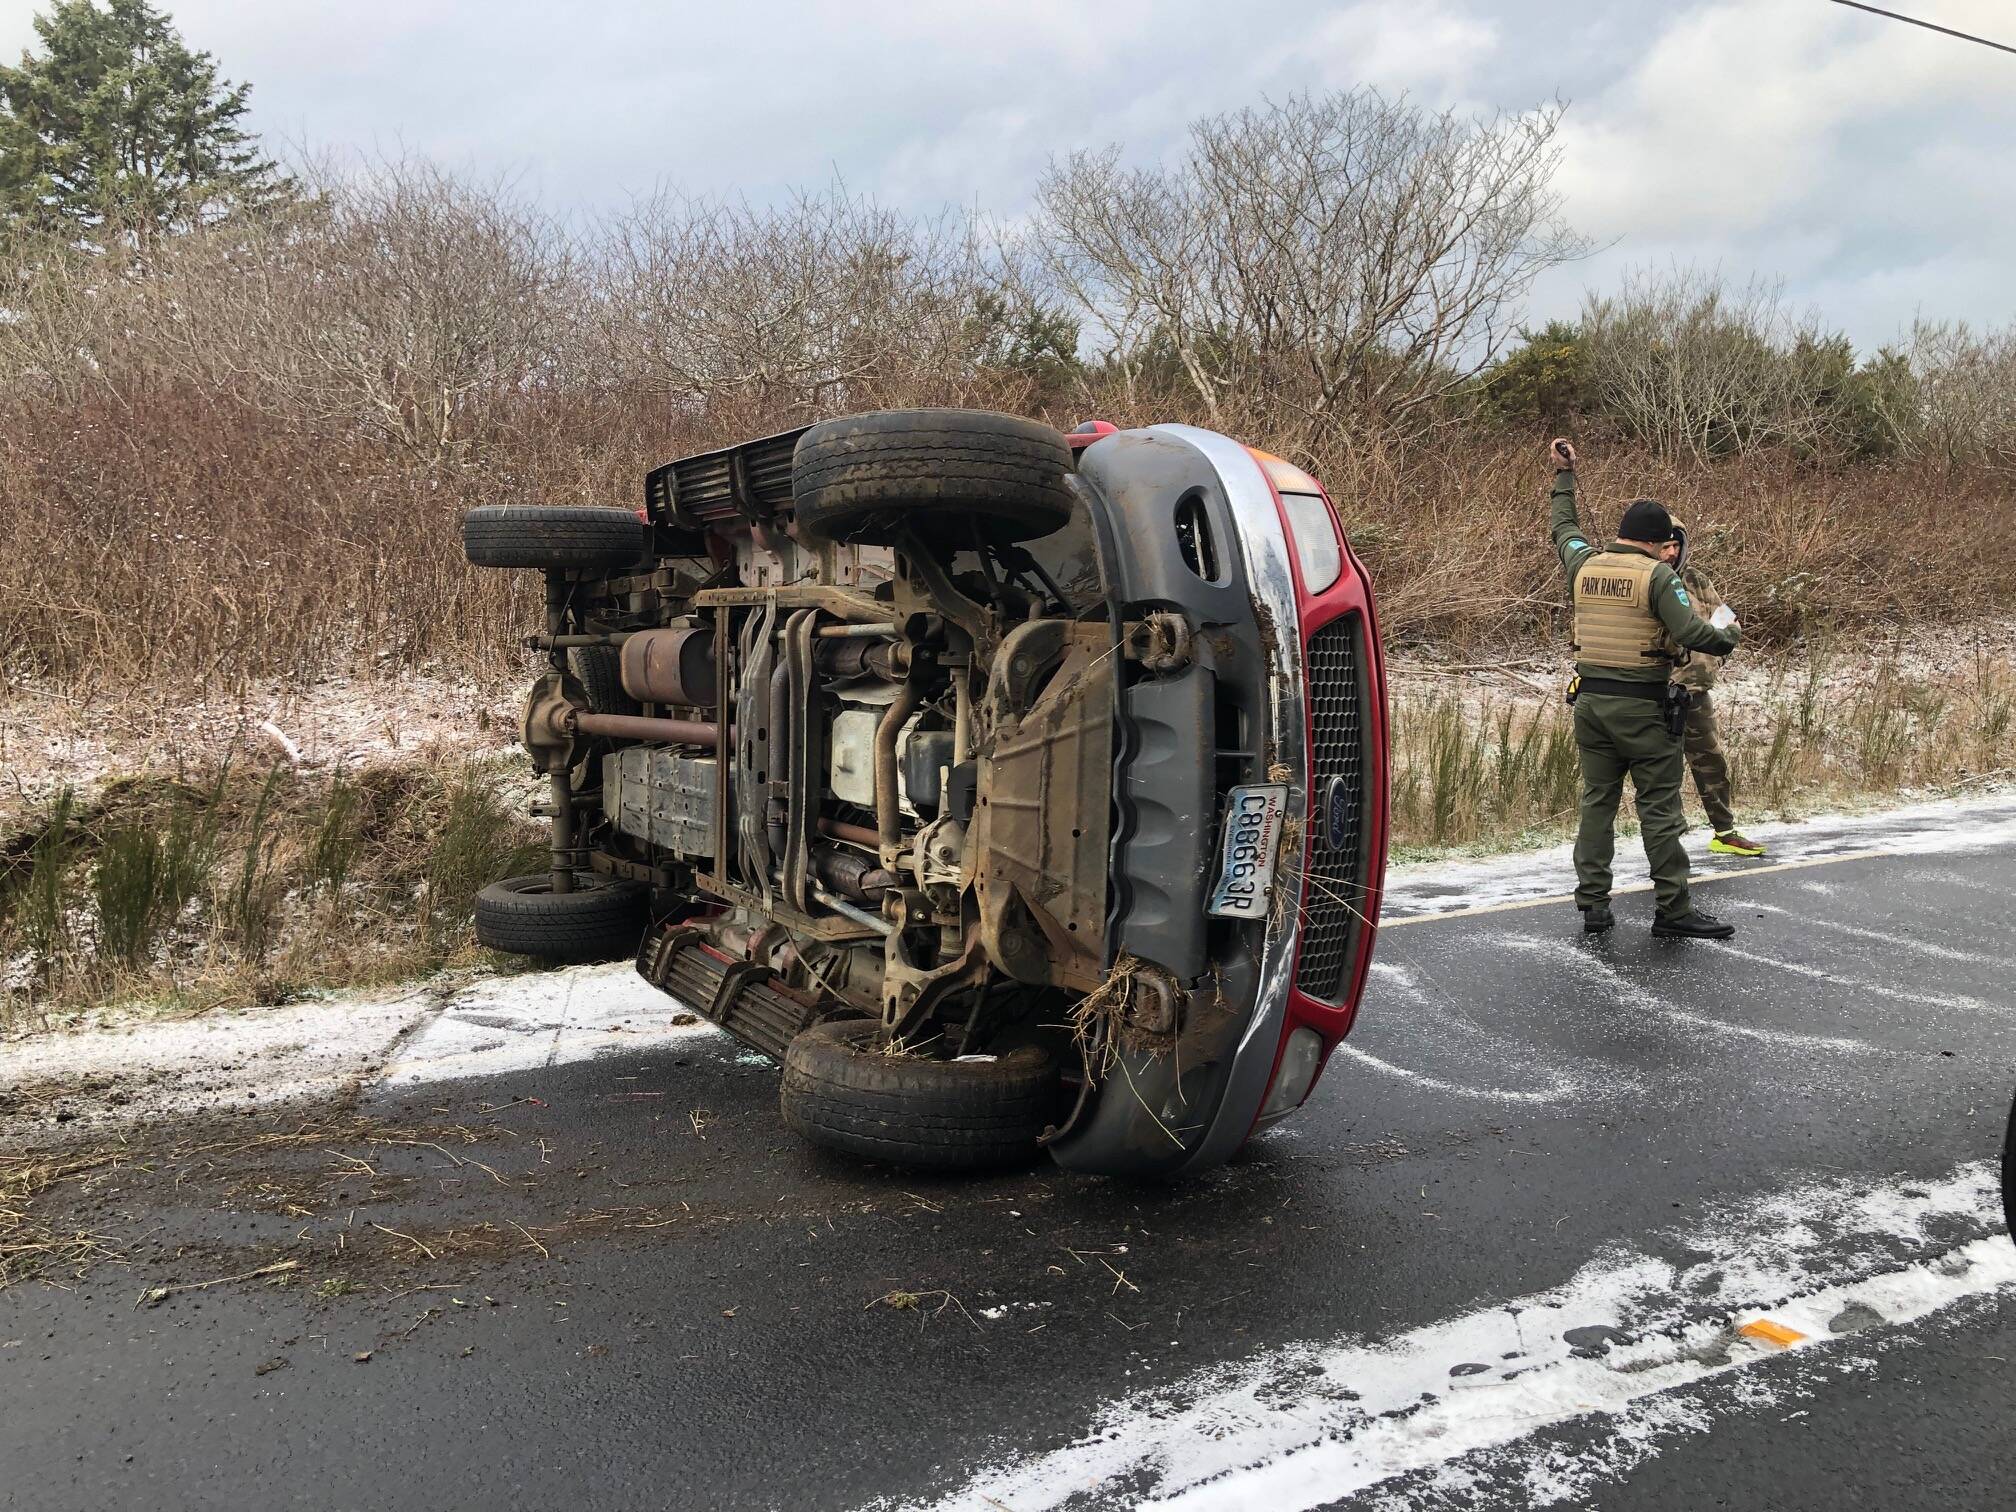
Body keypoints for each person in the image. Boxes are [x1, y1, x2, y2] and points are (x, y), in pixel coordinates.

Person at [1547, 439, 1742, 938]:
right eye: (1664, 545)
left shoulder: (1583, 564)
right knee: (1659, 807)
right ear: (1655, 543)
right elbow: (1693, 633)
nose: (1666, 552)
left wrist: (1564, 477)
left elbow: (1563, 528)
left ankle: (1593, 905)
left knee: (1597, 802)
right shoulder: (1658, 576)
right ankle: (1672, 910)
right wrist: (1730, 634)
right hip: (1643, 707)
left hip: (1589, 703)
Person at [1661, 520, 1766, 857]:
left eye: (1676, 545)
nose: (1672, 552)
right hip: (1658, 692)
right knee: (1664, 767)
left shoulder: (1695, 580)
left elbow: (1725, 618)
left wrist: (1718, 650)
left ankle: (1724, 830)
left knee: (1711, 761)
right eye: (1665, 545)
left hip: (1696, 691)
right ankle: (1668, 837)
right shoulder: (1647, 582)